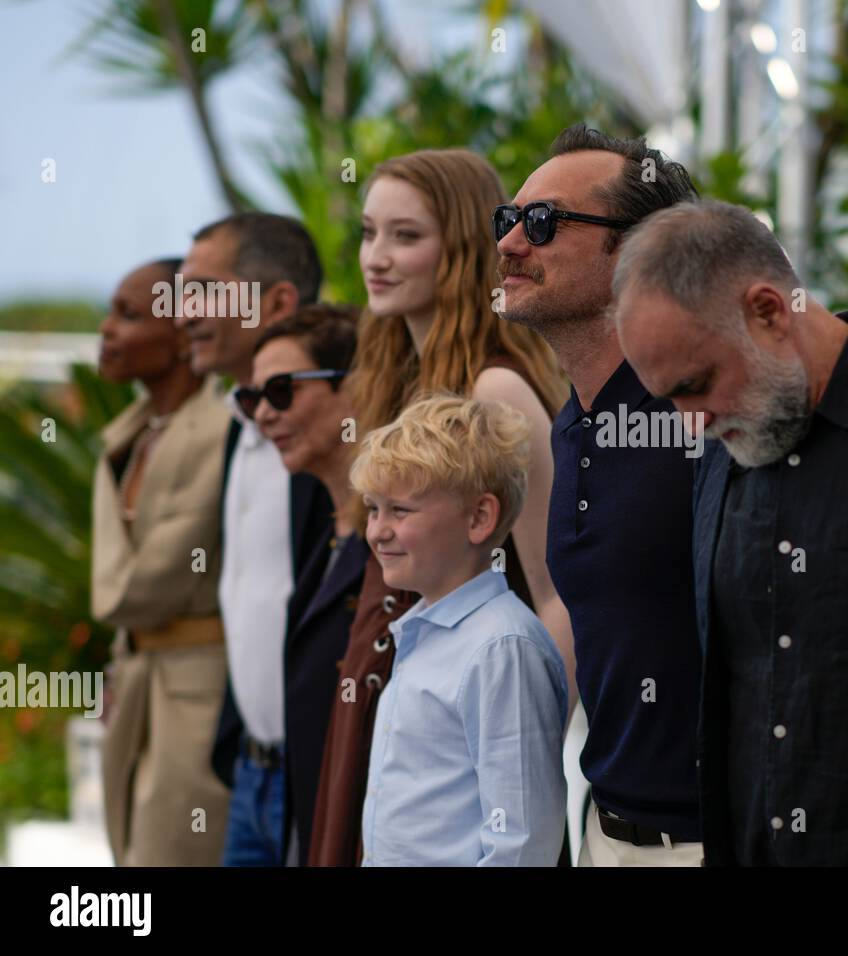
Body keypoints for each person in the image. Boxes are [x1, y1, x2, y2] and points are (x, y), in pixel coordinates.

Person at [611, 199, 848, 866]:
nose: (691, 422)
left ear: (769, 311)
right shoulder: (723, 443)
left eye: (696, 384)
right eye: (671, 399)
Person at [309, 148, 570, 867]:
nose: (377, 257)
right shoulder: (400, 374)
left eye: (406, 235)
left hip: (469, 713)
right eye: (368, 232)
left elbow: (554, 593)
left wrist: (532, 749)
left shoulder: (496, 390)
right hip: (399, 682)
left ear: (459, 250)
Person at [498, 125, 705, 865]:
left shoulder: (703, 414)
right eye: (508, 220)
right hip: (603, 832)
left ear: (637, 249)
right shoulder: (569, 423)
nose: (511, 243)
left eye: (544, 223)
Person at [174, 212, 334, 866]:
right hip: (250, 776)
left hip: (317, 779)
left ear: (278, 302)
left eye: (204, 291)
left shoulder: (337, 433)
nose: (183, 314)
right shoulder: (237, 425)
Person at [353, 394, 568, 866]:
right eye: (373, 509)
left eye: (400, 511)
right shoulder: (423, 633)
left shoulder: (501, 649)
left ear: (479, 517)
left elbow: (523, 842)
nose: (377, 531)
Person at [94, 257, 231, 866]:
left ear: (181, 333)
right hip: (140, 680)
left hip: (196, 693)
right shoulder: (132, 435)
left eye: (128, 314)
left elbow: (148, 584)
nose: (107, 329)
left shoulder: (219, 428)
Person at [240, 305, 362, 866]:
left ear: (355, 385)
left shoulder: (401, 542)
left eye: (282, 390)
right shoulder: (326, 535)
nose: (263, 414)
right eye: (252, 398)